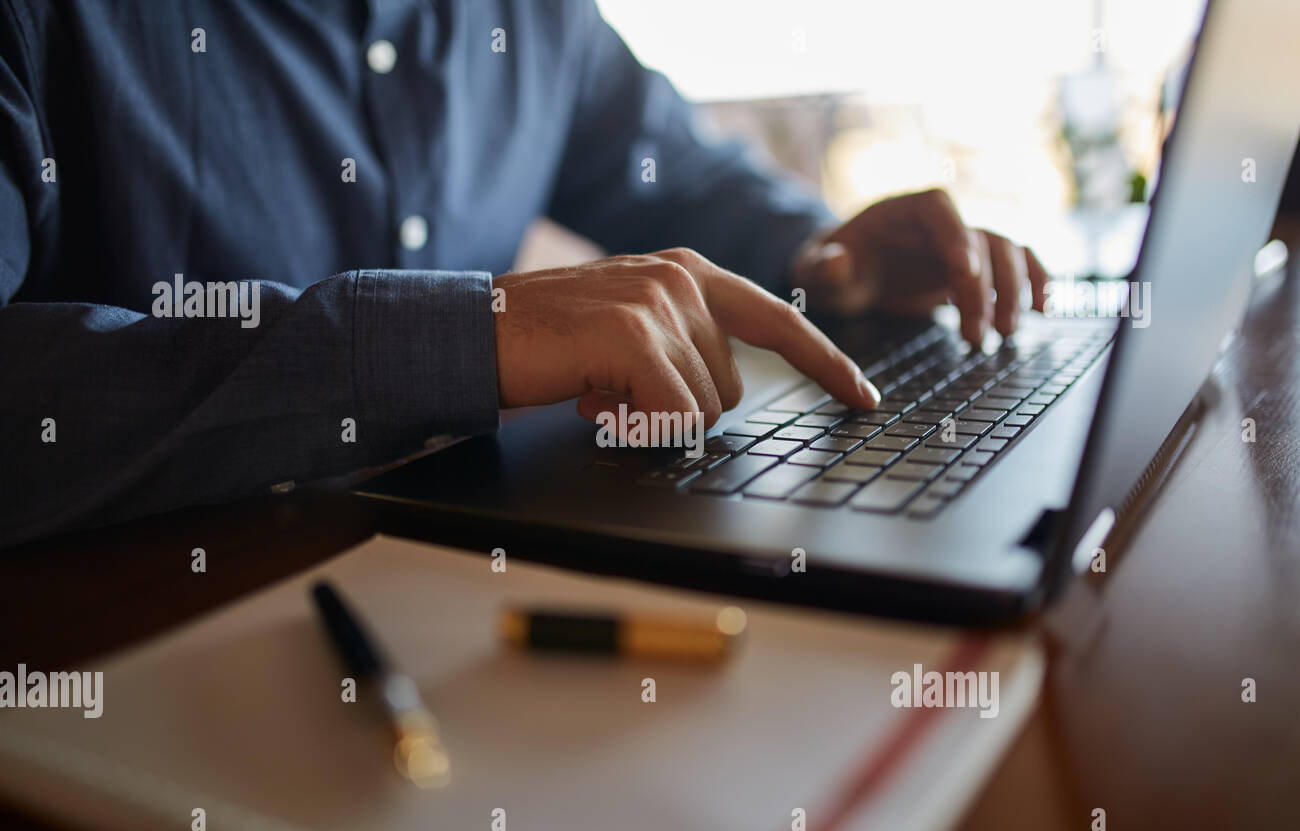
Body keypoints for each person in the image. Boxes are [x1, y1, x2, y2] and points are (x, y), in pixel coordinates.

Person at [0, 0, 1048, 547]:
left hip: (454, 582)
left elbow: (667, 164)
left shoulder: (534, 17)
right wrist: (458, 339)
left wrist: (826, 255)